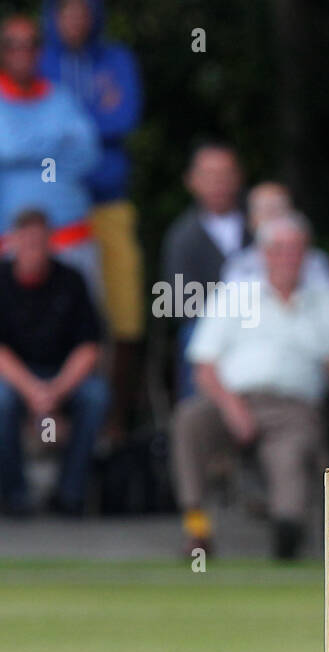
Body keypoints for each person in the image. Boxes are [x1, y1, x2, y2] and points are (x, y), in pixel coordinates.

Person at [171, 214, 329, 559]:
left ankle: (286, 535)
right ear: (263, 254)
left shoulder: (324, 301)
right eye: (280, 250)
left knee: (292, 454)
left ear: (307, 255)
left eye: (296, 250)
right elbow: (203, 365)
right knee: (189, 419)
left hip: (294, 409)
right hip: (231, 400)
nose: (288, 258)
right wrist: (233, 408)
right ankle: (197, 530)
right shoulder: (236, 295)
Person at [40, 0, 144, 441]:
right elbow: (36, 127)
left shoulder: (116, 58)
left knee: (124, 313)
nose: (76, 20)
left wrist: (68, 126)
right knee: (50, 312)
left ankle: (113, 425)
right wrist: (84, 121)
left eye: (84, 11)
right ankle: (53, 425)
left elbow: (125, 116)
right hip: (56, 208)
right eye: (67, 11)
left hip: (108, 201)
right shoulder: (40, 60)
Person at [0, 209, 108, 517]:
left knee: (96, 397)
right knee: (2, 402)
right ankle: (14, 495)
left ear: (52, 242)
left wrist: (56, 391)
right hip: (16, 378)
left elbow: (89, 346)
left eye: (40, 241)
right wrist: (33, 390)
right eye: (27, 241)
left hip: (64, 377)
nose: (33, 248)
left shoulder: (71, 281)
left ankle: (70, 494)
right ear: (13, 242)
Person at [0, 14, 101, 291]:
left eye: (30, 44)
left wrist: (17, 154)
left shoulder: (62, 98)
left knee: (86, 330)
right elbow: (5, 145)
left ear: (40, 51)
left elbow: (87, 155)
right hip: (11, 247)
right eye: (13, 44)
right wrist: (53, 145)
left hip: (71, 237)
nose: (22, 52)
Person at [160, 141, 248, 401]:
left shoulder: (259, 225)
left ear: (239, 177)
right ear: (192, 181)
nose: (218, 183)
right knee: (193, 339)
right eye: (209, 176)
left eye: (225, 175)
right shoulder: (181, 237)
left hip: (266, 323)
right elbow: (178, 304)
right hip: (210, 329)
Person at [221, 182, 329, 286]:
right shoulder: (239, 265)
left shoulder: (315, 261)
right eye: (266, 210)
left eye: (279, 209)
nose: (273, 218)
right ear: (251, 220)